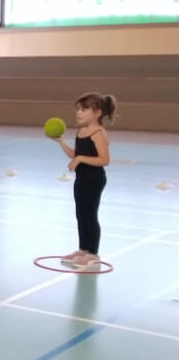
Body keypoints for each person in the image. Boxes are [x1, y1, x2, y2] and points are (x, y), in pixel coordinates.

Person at [52, 93, 115, 270]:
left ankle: (93, 254)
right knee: (80, 214)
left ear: (97, 113)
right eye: (78, 109)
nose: (79, 112)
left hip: (94, 180)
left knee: (90, 215)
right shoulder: (81, 131)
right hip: (81, 179)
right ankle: (83, 250)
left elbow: (104, 160)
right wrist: (60, 141)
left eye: (84, 109)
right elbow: (75, 154)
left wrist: (80, 159)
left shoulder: (98, 133)